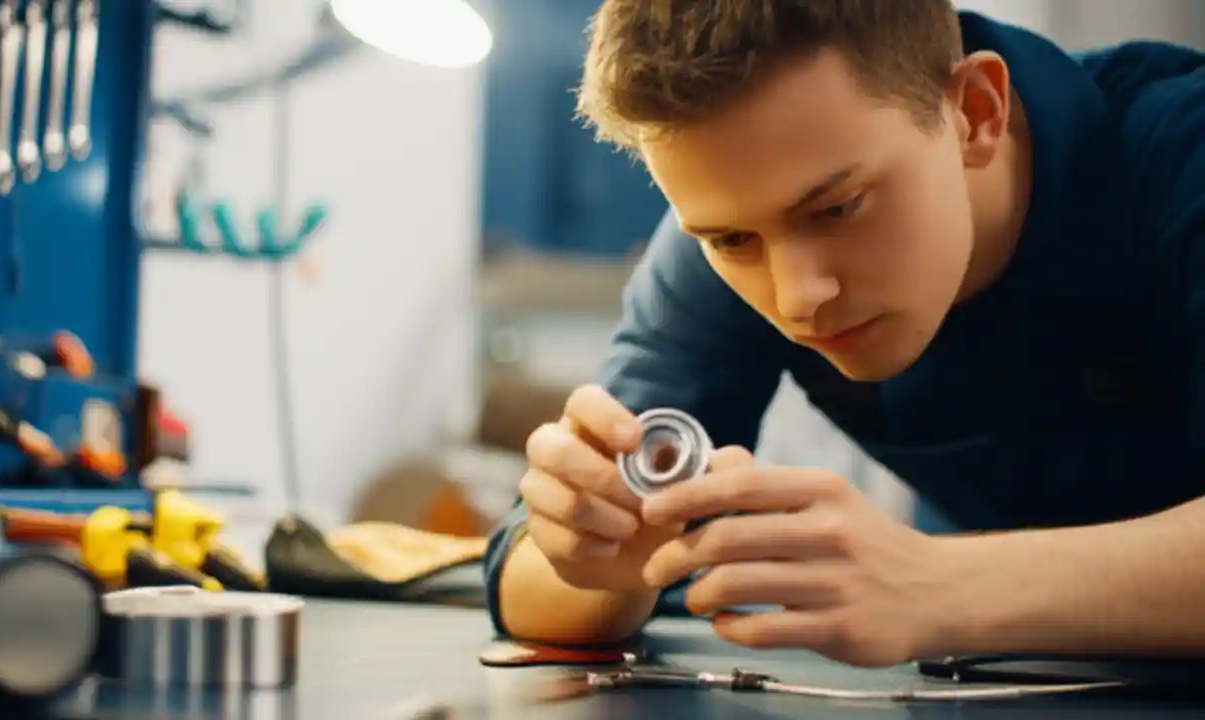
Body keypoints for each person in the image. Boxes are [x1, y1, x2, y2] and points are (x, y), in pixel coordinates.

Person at [482, 0, 1205, 668]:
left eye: (838, 209)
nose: (798, 300)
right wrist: (594, 553)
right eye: (731, 239)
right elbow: (535, 586)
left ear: (974, 113)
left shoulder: (1181, 156)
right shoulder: (733, 236)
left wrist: (939, 585)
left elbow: (934, 590)